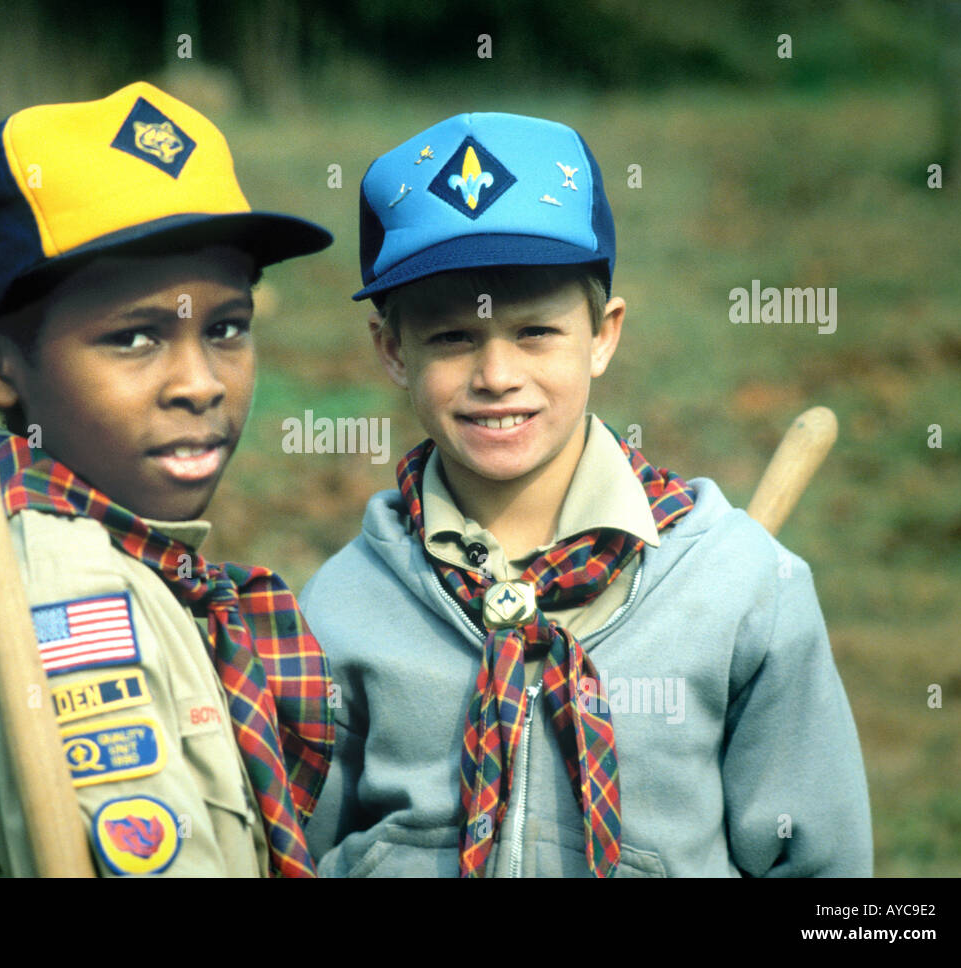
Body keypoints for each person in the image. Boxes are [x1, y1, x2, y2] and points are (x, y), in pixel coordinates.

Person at [301, 111, 872, 877]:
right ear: (391, 350)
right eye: (451, 337)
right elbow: (297, 855)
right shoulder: (340, 610)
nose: (497, 375)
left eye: (536, 332)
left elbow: (823, 873)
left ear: (603, 333)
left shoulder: (742, 589)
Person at [0, 81, 334, 877]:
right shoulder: (64, 601)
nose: (200, 382)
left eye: (225, 328)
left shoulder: (139, 566)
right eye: (134, 338)